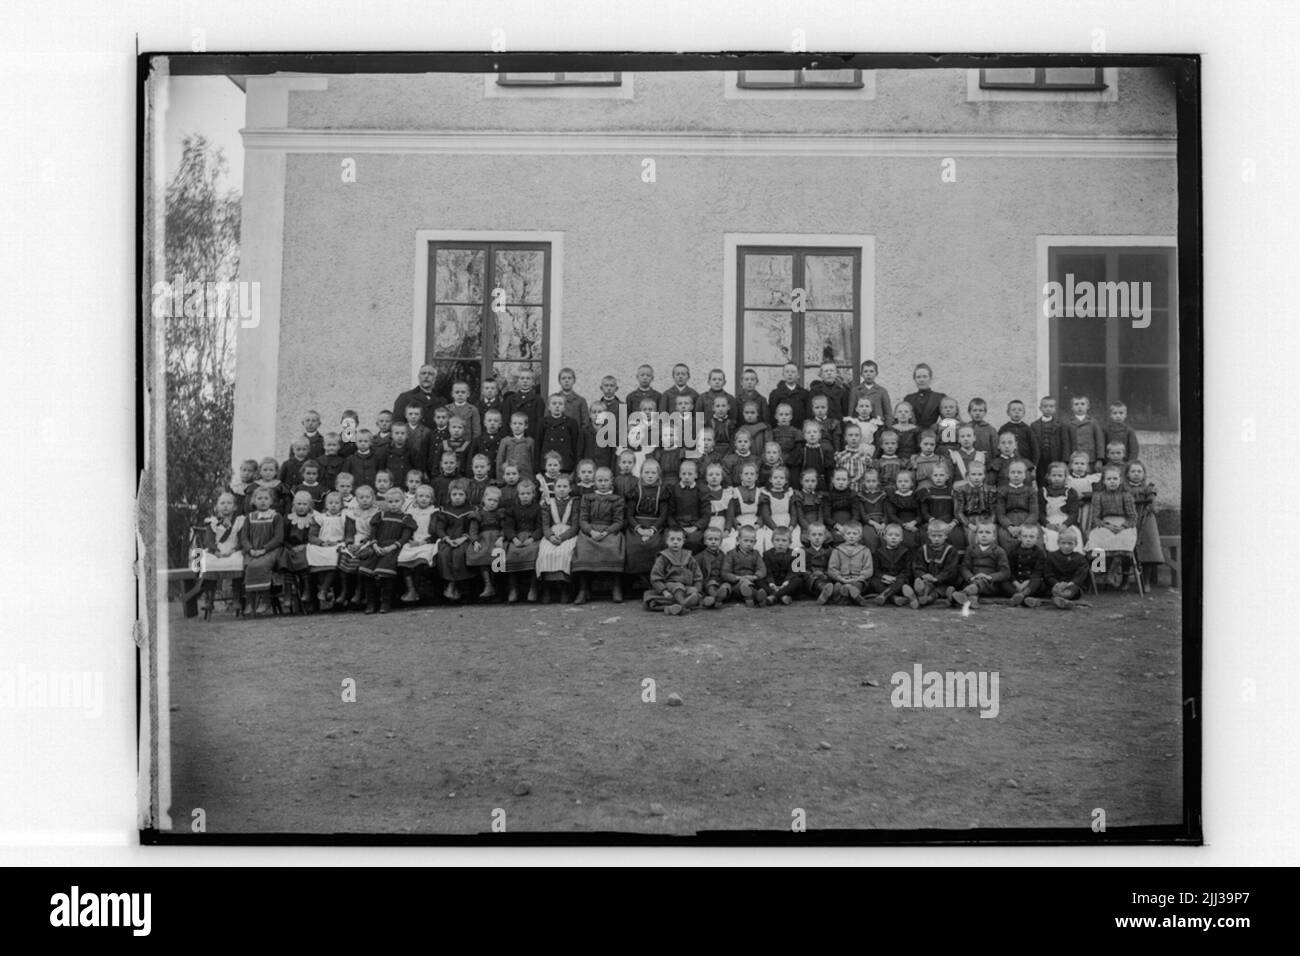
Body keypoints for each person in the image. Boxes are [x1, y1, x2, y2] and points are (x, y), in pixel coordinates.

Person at [572, 466, 626, 604]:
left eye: (606, 480)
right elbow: (583, 519)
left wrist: (606, 532)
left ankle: (616, 587)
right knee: (583, 547)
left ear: (611, 481)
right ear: (594, 481)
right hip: (590, 531)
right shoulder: (587, 498)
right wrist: (591, 531)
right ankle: (583, 589)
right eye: (599, 480)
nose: (602, 484)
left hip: (609, 530)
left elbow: (618, 521)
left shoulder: (617, 499)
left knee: (614, 546)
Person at [359, 488, 417, 613]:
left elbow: (405, 537)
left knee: (385, 573)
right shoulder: (380, 515)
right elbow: (372, 533)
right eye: (390, 502)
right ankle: (371, 603)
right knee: (366, 571)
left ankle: (385, 603)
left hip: (393, 548)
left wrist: (392, 547)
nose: (394, 504)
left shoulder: (406, 518)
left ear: (403, 501)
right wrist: (375, 546)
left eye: (397, 501)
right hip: (377, 547)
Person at [196, 492, 246, 619]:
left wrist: (234, 550)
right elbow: (209, 540)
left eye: (229, 503)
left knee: (238, 561)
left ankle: (236, 598)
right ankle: (209, 599)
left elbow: (242, 540)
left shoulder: (239, 521)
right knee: (208, 562)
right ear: (217, 507)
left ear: (234, 507)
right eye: (222, 503)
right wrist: (215, 551)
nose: (226, 506)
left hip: (233, 550)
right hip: (216, 551)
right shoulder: (212, 522)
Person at [239, 486, 285, 616]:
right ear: (253, 501)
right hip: (253, 550)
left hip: (271, 550)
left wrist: (264, 549)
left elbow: (278, 538)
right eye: (259, 498)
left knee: (261, 565)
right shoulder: (249, 517)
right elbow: (244, 536)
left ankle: (265, 600)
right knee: (249, 565)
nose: (263, 501)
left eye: (266, 498)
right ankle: (250, 601)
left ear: (271, 501)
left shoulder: (276, 517)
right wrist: (250, 549)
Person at [623, 458, 670, 587]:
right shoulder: (636, 490)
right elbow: (629, 515)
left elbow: (663, 515)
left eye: (653, 473)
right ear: (641, 473)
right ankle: (637, 577)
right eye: (647, 472)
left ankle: (652, 578)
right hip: (636, 525)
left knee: (654, 544)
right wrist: (639, 529)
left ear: (658, 475)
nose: (650, 476)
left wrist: (652, 530)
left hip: (654, 526)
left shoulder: (662, 491)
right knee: (633, 544)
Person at [536, 475, 579, 603]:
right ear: (553, 488)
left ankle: (564, 589)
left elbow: (575, 526)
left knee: (564, 553)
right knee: (545, 553)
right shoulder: (548, 503)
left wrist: (562, 537)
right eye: (558, 486)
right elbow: (545, 524)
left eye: (565, 486)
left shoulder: (574, 502)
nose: (561, 489)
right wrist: (550, 536)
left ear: (570, 489)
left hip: (568, 534)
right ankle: (547, 588)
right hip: (551, 534)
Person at [433, 478, 478, 601]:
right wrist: (447, 539)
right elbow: (440, 528)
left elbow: (473, 528)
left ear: (466, 495)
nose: (457, 497)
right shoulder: (445, 510)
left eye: (461, 494)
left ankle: (458, 586)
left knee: (460, 553)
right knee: (444, 553)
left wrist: (463, 538)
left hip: (465, 539)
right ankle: (450, 584)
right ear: (449, 495)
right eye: (454, 494)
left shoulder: (472, 510)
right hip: (449, 539)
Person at [502, 478, 545, 603]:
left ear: (533, 494)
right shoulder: (512, 509)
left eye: (528, 494)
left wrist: (532, 538)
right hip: (517, 537)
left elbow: (540, 527)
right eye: (522, 494)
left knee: (534, 552)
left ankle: (533, 588)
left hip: (532, 537)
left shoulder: (538, 508)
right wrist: (513, 538)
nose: (525, 497)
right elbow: (508, 526)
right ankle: (513, 588)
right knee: (511, 553)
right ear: (518, 495)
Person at [643, 528, 704, 615]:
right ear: (666, 541)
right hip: (670, 587)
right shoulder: (663, 558)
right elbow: (655, 576)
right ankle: (684, 604)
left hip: (686, 586)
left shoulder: (689, 557)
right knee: (677, 587)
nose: (675, 542)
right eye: (672, 539)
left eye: (679, 539)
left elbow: (698, 575)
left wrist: (697, 588)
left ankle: (673, 608)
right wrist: (664, 591)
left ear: (683, 542)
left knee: (693, 593)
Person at [951, 521, 1010, 609]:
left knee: (981, 582)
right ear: (976, 535)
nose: (984, 535)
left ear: (994, 536)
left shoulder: (999, 551)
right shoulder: (970, 549)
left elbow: (1005, 572)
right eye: (981, 532)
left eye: (987, 532)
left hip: (990, 584)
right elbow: (964, 567)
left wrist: (989, 577)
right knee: (974, 583)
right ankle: (971, 600)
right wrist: (971, 577)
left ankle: (963, 593)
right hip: (972, 580)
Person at [1027, 527, 1089, 609]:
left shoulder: (1081, 558)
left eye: (1070, 543)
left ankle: (1061, 598)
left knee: (1073, 591)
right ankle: (1059, 600)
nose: (1066, 546)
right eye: (1063, 543)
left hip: (1071, 586)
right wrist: (1056, 584)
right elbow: (1048, 574)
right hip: (1054, 585)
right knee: (1041, 586)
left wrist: (1068, 584)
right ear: (1058, 543)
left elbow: (1080, 576)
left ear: (1076, 544)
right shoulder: (1051, 556)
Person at [339, 484, 379, 609]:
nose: (365, 500)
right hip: (355, 539)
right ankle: (346, 591)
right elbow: (349, 530)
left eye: (367, 497)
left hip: (370, 540)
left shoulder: (377, 512)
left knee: (363, 556)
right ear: (356, 499)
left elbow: (375, 531)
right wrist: (350, 543)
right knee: (345, 555)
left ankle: (360, 592)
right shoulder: (353, 513)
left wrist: (365, 541)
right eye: (361, 497)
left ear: (373, 498)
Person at [397, 483, 439, 603]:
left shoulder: (434, 512)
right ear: (416, 498)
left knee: (422, 558)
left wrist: (424, 542)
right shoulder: (411, 512)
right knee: (403, 557)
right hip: (413, 541)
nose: (424, 499)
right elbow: (407, 529)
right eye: (421, 496)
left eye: (427, 497)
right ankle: (410, 588)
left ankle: (416, 589)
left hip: (427, 542)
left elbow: (436, 532)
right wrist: (410, 540)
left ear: (431, 499)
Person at [1125, 460, 1165, 585]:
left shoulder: (1148, 488)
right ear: (1127, 474)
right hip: (1129, 519)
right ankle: (1123, 579)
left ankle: (1145, 581)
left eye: (1139, 471)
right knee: (1125, 548)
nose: (1136, 474)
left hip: (1146, 519)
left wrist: (1151, 497)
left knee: (1148, 549)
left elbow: (1152, 505)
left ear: (1144, 474)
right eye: (1133, 471)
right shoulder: (1123, 489)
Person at [904, 520, 960, 609]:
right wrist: (924, 575)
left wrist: (937, 578)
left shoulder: (951, 551)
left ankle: (920, 599)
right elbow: (917, 566)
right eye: (934, 536)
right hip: (926, 580)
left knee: (938, 591)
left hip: (943, 582)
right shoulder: (923, 549)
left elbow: (950, 570)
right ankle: (922, 596)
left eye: (940, 536)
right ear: (929, 536)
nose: (936, 539)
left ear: (946, 536)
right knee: (925, 585)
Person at [307, 490, 348, 610]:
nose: (333, 505)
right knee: (313, 552)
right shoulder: (320, 518)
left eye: (336, 503)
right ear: (326, 504)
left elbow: (349, 534)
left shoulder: (345, 517)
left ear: (341, 504)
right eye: (330, 503)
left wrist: (340, 542)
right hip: (323, 545)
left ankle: (324, 589)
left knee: (335, 556)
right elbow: (311, 536)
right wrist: (322, 543)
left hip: (338, 544)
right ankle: (324, 590)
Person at [466, 484, 505, 600]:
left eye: (495, 501)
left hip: (496, 539)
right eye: (489, 500)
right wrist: (475, 541)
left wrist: (501, 537)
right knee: (482, 554)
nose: (492, 503)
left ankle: (495, 586)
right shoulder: (478, 514)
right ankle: (487, 584)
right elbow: (473, 530)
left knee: (497, 556)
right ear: (483, 499)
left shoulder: (500, 514)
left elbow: (504, 528)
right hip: (483, 539)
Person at [279, 491, 316, 611]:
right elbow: (283, 538)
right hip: (291, 548)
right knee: (286, 557)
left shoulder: (313, 519)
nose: (301, 507)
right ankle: (288, 593)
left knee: (305, 558)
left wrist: (305, 545)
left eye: (305, 504)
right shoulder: (289, 519)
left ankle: (306, 590)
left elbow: (314, 536)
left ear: (309, 506)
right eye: (298, 504)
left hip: (306, 548)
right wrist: (291, 547)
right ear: (294, 505)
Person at [393, 364, 449, 437]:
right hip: (412, 442)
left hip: (434, 442)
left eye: (430, 374)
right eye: (423, 373)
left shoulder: (442, 400)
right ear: (419, 377)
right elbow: (398, 423)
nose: (426, 376)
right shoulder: (405, 397)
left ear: (434, 379)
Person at [825, 520, 872, 606]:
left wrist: (859, 577)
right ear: (843, 535)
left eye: (855, 534)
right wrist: (840, 578)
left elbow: (868, 569)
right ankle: (848, 596)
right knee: (838, 585)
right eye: (848, 533)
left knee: (859, 585)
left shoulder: (865, 550)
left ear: (860, 536)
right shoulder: (837, 550)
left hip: (858, 579)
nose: (851, 536)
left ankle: (848, 595)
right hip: (842, 578)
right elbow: (832, 568)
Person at [1037, 461, 1081, 552]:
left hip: (1066, 522)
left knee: (1074, 534)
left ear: (1065, 477)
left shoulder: (1070, 492)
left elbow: (1074, 513)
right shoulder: (1043, 492)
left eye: (1060, 476)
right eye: (1054, 475)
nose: (1056, 478)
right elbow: (1040, 512)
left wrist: (1065, 525)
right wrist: (1047, 524)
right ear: (1048, 476)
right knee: (1050, 536)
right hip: (1049, 522)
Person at [995, 460, 1039, 550]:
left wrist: (1023, 527)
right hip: (1008, 520)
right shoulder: (1002, 491)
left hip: (1026, 520)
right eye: (1013, 472)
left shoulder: (1030, 491)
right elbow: (1000, 513)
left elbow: (1034, 513)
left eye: (1019, 472)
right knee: (1004, 537)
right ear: (1008, 474)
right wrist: (1009, 527)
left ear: (1024, 475)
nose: (1016, 475)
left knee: (1034, 537)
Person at [721, 525, 768, 606]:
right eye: (746, 541)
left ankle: (751, 597)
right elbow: (725, 572)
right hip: (736, 583)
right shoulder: (731, 554)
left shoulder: (756, 554)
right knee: (730, 586)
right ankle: (755, 596)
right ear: (738, 540)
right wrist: (737, 578)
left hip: (751, 581)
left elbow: (762, 569)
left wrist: (754, 577)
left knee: (752, 585)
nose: (749, 544)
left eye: (752, 541)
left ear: (755, 542)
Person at [668, 459, 708, 552]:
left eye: (690, 474)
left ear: (696, 475)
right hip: (678, 525)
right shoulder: (674, 490)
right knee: (671, 539)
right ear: (679, 475)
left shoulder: (701, 491)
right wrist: (676, 527)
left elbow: (706, 513)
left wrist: (696, 526)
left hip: (695, 526)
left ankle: (692, 565)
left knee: (694, 541)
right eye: (684, 474)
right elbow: (669, 513)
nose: (686, 477)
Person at [1030, 396, 1074, 482]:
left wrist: (1065, 460)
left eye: (1051, 406)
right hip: (1040, 459)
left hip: (1056, 457)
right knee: (1041, 479)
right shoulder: (1034, 425)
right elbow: (1032, 444)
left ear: (1055, 408)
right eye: (1045, 406)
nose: (1048, 409)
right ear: (1040, 408)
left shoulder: (1061, 425)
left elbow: (1065, 443)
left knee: (1055, 478)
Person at [869, 523, 913, 606]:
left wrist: (896, 578)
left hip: (897, 580)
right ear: (885, 537)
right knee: (874, 581)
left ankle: (884, 595)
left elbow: (907, 570)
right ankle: (894, 598)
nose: (893, 537)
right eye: (890, 535)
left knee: (902, 582)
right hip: (883, 579)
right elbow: (875, 569)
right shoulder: (878, 552)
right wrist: (883, 576)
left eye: (897, 535)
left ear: (901, 538)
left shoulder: (906, 552)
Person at [536, 392, 581, 473]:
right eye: (554, 403)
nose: (557, 406)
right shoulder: (542, 422)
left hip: (565, 464)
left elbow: (575, 446)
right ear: (549, 407)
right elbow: (538, 445)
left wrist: (575, 467)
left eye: (560, 404)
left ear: (564, 407)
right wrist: (537, 469)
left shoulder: (571, 422)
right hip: (547, 464)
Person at [1005, 523, 1047, 608]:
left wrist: (1026, 583)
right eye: (1025, 536)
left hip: (1030, 582)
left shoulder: (1039, 553)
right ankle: (1027, 600)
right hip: (1016, 581)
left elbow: (1037, 572)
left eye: (1031, 537)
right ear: (1019, 537)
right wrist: (1016, 583)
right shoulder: (1013, 550)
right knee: (1003, 582)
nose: (1028, 539)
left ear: (1037, 538)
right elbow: (1009, 569)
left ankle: (1021, 596)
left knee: (1038, 581)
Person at [725, 462, 764, 551]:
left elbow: (763, 512)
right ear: (741, 476)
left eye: (752, 474)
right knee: (732, 542)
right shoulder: (734, 492)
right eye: (746, 474)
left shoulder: (760, 492)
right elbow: (730, 514)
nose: (749, 477)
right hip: (739, 523)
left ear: (756, 476)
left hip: (755, 523)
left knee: (760, 539)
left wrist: (758, 524)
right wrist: (737, 525)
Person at [757, 465, 797, 551]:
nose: (778, 480)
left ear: (786, 480)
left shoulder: (789, 493)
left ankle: (795, 563)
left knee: (795, 538)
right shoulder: (766, 494)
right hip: (772, 523)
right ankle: (771, 561)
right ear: (770, 479)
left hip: (787, 521)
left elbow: (794, 513)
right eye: (775, 477)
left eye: (781, 478)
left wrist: (791, 526)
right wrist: (775, 529)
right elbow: (766, 515)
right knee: (769, 539)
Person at [886, 463, 925, 547]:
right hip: (898, 523)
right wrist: (904, 525)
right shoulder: (893, 497)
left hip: (914, 523)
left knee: (921, 536)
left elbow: (920, 514)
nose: (903, 484)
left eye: (906, 481)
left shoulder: (916, 496)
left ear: (912, 483)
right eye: (900, 481)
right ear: (896, 483)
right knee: (903, 537)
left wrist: (913, 523)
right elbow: (891, 515)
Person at [847, 359, 893, 428]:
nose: (868, 374)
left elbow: (888, 413)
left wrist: (888, 428)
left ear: (876, 373)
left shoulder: (882, 391)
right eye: (865, 371)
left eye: (871, 371)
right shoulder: (856, 391)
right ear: (861, 374)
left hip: (878, 427)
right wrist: (851, 427)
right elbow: (851, 412)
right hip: (860, 426)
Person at [762, 527, 801, 605]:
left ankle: (774, 596)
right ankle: (783, 597)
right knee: (759, 580)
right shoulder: (767, 555)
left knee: (798, 580)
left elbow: (794, 572)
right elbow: (767, 571)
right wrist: (771, 583)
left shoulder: (795, 554)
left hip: (787, 584)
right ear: (772, 541)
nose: (780, 543)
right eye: (777, 540)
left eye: (784, 540)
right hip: (773, 583)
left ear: (790, 542)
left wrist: (786, 583)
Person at [902, 363, 948, 430]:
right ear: (914, 379)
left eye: (925, 376)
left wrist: (938, 428)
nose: (921, 380)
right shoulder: (908, 399)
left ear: (930, 378)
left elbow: (948, 420)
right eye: (918, 377)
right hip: (912, 436)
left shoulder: (939, 398)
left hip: (932, 436)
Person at [1068, 395, 1107, 471]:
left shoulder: (1093, 422)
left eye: (1082, 404)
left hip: (1091, 459)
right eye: (1076, 404)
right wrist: (1067, 460)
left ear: (1088, 406)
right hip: (1074, 459)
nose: (1079, 406)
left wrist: (1100, 459)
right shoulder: (1068, 423)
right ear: (1072, 407)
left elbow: (1099, 442)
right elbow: (1065, 443)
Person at [505, 369, 546, 440]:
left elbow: (539, 423)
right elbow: (506, 421)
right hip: (513, 439)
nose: (525, 381)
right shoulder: (510, 399)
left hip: (530, 438)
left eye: (528, 378)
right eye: (522, 378)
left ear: (533, 382)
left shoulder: (538, 400)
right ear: (518, 381)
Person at [998, 399, 1040, 467]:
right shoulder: (1004, 428)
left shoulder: (1027, 429)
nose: (1017, 412)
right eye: (1013, 410)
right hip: (1007, 463)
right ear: (1008, 412)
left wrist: (1034, 464)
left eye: (1020, 410)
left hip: (1025, 462)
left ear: (1024, 413)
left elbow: (1035, 448)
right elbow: (999, 446)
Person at [696, 527, 729, 608]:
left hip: (721, 581)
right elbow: (697, 574)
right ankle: (717, 599)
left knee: (727, 585)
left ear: (720, 542)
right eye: (710, 539)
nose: (713, 542)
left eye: (716, 539)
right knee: (711, 585)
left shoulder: (724, 555)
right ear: (705, 541)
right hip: (708, 582)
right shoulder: (700, 557)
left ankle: (714, 599)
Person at [767, 362, 809, 428]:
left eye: (793, 372)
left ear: (798, 375)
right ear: (783, 375)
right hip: (780, 431)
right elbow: (772, 414)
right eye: (787, 372)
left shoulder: (804, 393)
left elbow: (807, 415)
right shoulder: (775, 393)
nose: (790, 374)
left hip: (799, 430)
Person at [496, 412, 535, 480]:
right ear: (510, 425)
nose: (517, 426)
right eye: (514, 423)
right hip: (509, 477)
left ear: (526, 426)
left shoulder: (530, 441)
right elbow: (500, 461)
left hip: (526, 477)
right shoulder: (505, 441)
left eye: (520, 424)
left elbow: (533, 460)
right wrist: (500, 479)